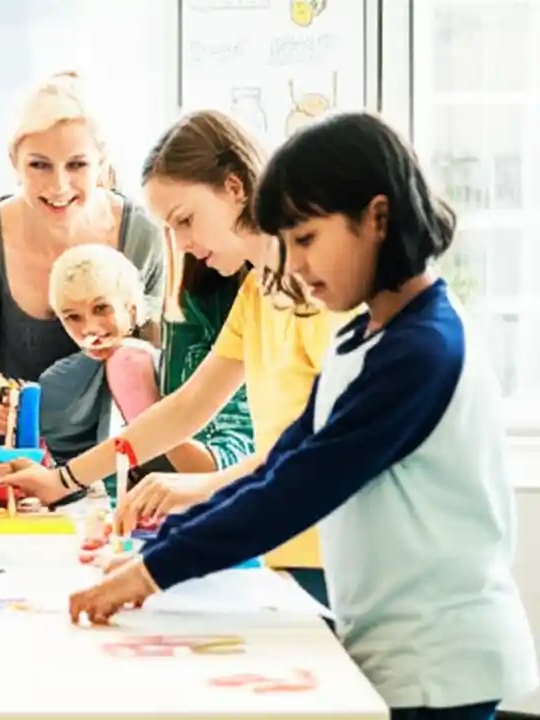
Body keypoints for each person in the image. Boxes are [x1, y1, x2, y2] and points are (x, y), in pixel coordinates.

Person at [67, 111, 538, 720]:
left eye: (308, 240)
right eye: (286, 242)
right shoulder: (361, 340)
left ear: (377, 218)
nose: (296, 264)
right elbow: (283, 459)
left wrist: (151, 572)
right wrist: (158, 549)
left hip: (441, 661)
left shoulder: (422, 350)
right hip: (391, 648)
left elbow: (300, 486)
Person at [1, 110, 348, 605]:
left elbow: (321, 449)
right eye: (170, 229)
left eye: (185, 220)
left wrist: (199, 493)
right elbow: (185, 408)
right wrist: (63, 480)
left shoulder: (320, 293)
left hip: (339, 560)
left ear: (234, 188)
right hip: (293, 556)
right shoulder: (257, 290)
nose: (182, 244)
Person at [0, 71, 166, 485]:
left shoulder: (143, 238)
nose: (58, 185)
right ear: (14, 163)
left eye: (76, 165)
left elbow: (150, 376)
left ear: (102, 163)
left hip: (102, 481)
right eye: (39, 165)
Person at [38, 234, 255, 492]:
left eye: (101, 309)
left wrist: (139, 397)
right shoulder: (61, 379)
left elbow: (218, 462)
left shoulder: (143, 359)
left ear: (131, 308)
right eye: (72, 317)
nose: (90, 328)